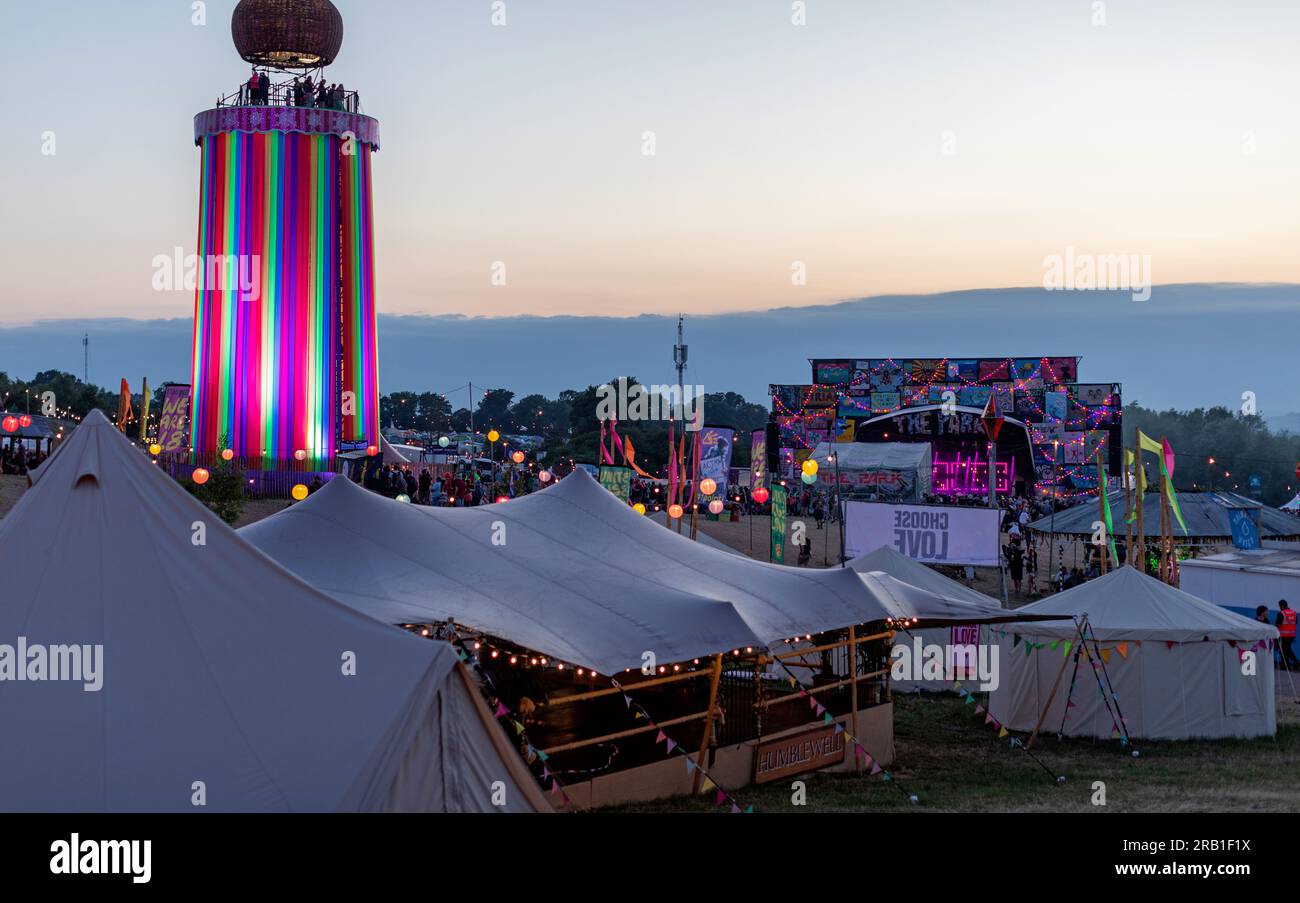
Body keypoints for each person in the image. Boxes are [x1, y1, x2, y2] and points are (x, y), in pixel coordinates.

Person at [1277, 600, 1296, 668]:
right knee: (1286, 649)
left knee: (1284, 650)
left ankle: (1294, 661)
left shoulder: (1281, 613)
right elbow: (1295, 622)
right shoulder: (1293, 613)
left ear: (1282, 606)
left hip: (1283, 635)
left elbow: (1278, 624)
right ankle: (1288, 664)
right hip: (1292, 635)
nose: (1279, 607)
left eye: (1279, 606)